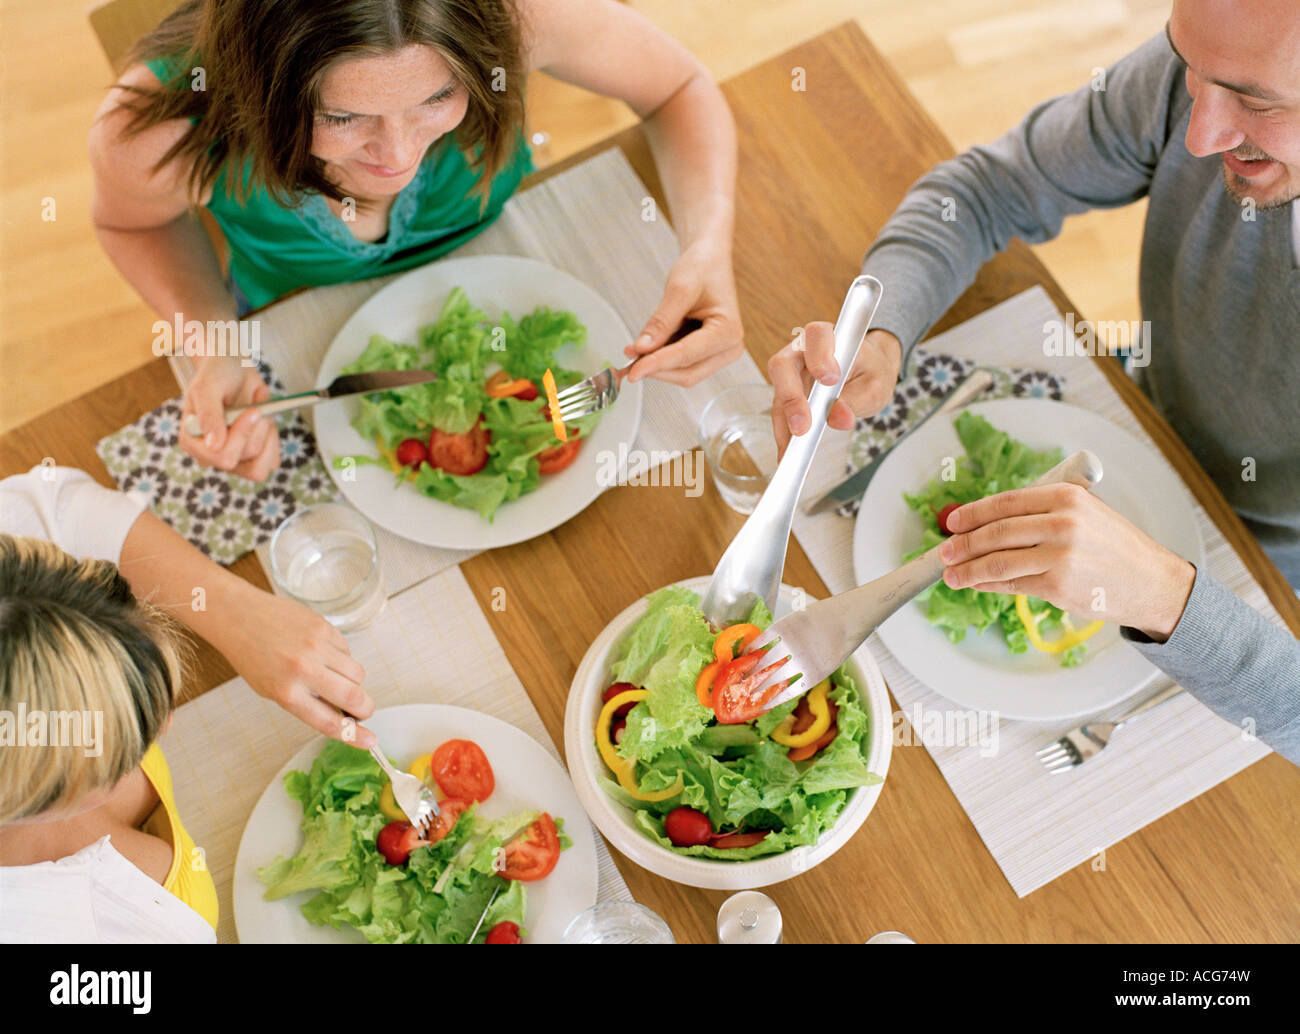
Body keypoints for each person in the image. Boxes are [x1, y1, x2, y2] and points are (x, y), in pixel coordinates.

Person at [767, 0, 1299, 763]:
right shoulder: (1220, 64)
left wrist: (1163, 600)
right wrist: (879, 335)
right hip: (1144, 418)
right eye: (1190, 66)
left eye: (1256, 101)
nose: (1197, 132)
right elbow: (988, 189)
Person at [89, 0, 742, 481]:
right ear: (258, 92)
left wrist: (707, 247)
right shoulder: (160, 126)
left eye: (438, 96)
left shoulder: (521, 16)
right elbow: (133, 222)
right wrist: (215, 344)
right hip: (296, 309)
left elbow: (678, 89)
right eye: (342, 117)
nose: (397, 154)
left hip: (513, 258)